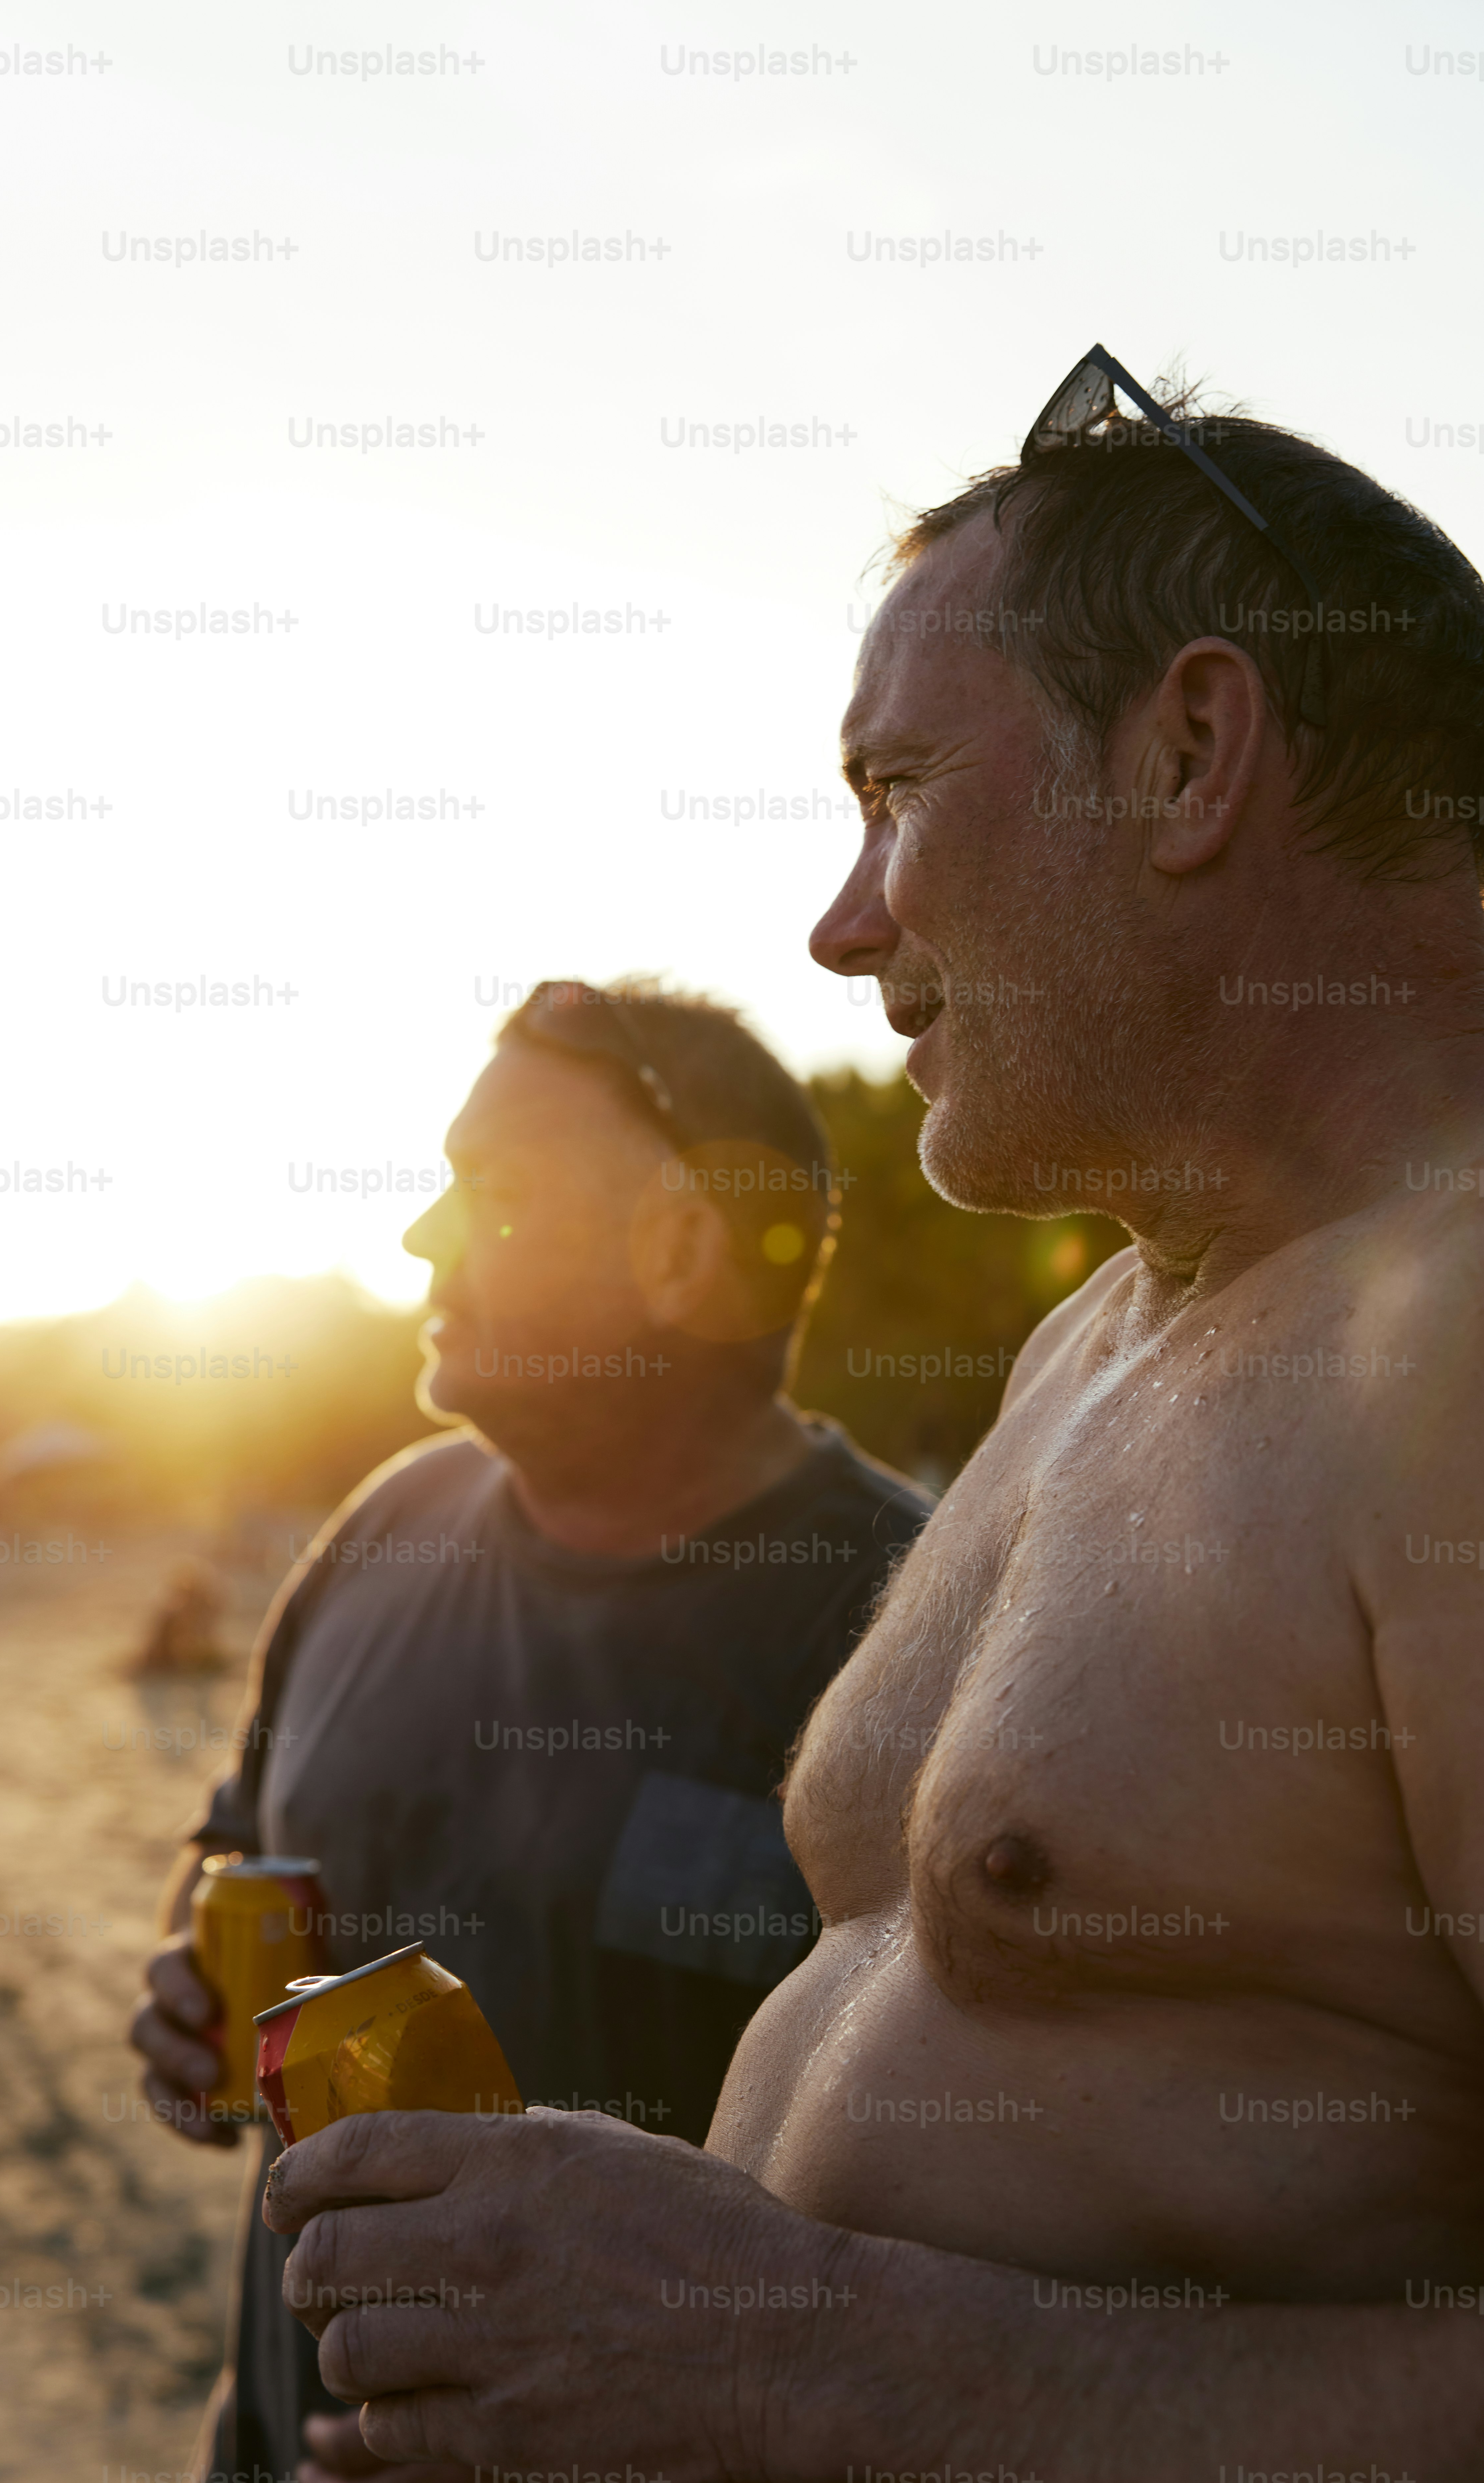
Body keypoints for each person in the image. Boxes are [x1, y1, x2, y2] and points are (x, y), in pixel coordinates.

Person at [262, 360, 1484, 2479]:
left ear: (1190, 752)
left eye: (898, 788)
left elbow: (886, 2352)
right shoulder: (1098, 1337)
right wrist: (631, 2311)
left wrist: (824, 2367)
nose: (841, 928)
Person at [127, 979, 931, 2483]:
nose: (423, 1238)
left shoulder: (919, 1635)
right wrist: (192, 2002)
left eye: (489, 1195)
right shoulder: (387, 1526)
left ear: (684, 1247)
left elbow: (961, 2227)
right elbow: (239, 1845)